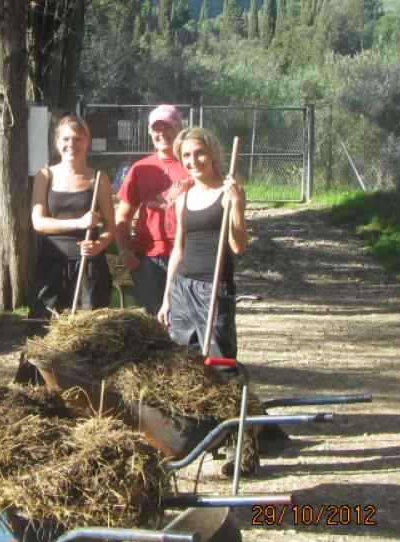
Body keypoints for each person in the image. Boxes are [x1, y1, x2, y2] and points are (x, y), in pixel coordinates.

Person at [158, 127, 246, 359]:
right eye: (186, 155)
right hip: (182, 287)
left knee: (219, 360)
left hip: (215, 288)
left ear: (213, 154)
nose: (193, 161)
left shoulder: (229, 193)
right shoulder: (183, 199)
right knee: (183, 361)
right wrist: (167, 297)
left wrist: (236, 205)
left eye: (200, 153)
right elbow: (178, 250)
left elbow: (238, 246)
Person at [29, 115, 115, 319]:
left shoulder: (99, 179)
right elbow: (38, 222)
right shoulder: (45, 176)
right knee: (45, 326)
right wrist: (79, 223)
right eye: (66, 139)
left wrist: (99, 245)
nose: (72, 144)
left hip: (89, 267)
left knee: (89, 330)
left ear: (87, 141)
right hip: (52, 264)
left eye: (78, 138)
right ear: (57, 142)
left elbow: (111, 227)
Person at [115, 105, 191, 316]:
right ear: (149, 132)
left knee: (182, 317)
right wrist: (124, 251)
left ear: (179, 128)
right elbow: (122, 215)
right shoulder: (140, 168)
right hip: (148, 256)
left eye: (168, 127)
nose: (162, 134)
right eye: (156, 129)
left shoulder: (191, 164)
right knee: (152, 317)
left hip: (184, 253)